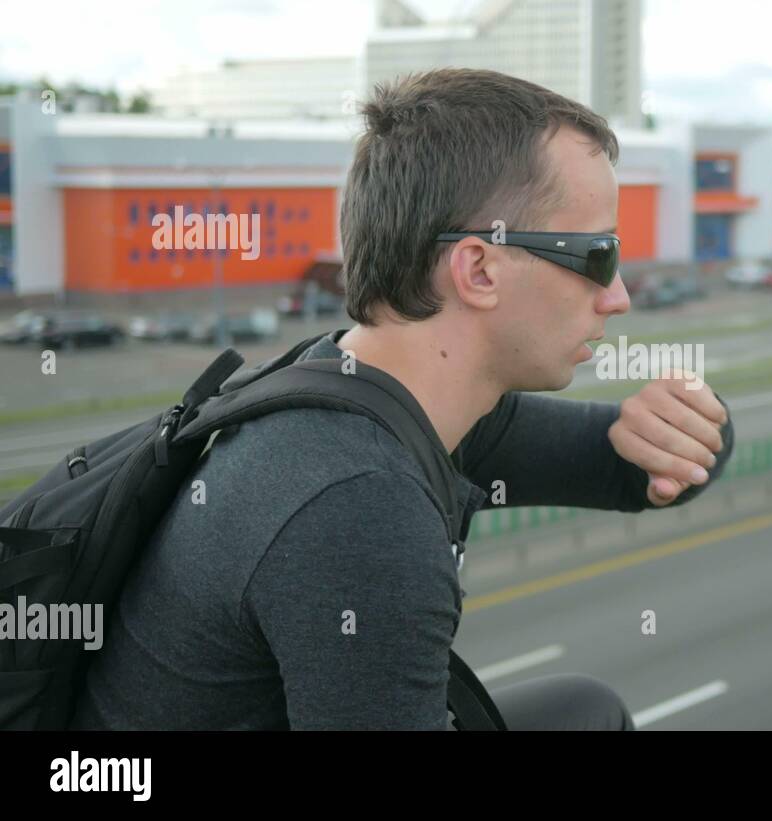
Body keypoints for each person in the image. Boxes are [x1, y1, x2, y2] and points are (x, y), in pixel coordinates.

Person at [71, 68, 735, 731]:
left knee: (584, 710)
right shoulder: (358, 508)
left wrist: (699, 421)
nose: (618, 296)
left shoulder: (360, 385)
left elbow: (632, 468)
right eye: (599, 255)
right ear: (478, 270)